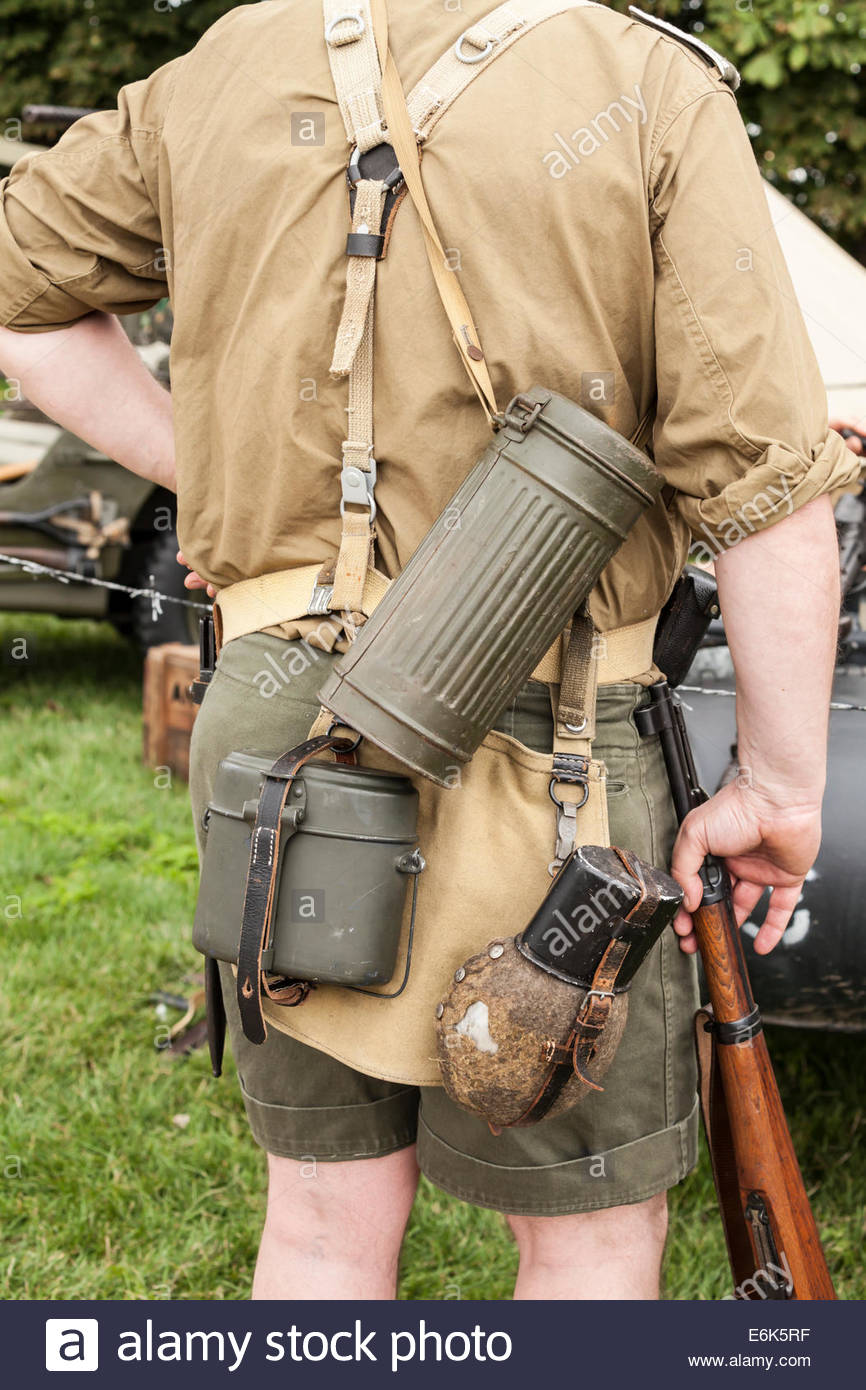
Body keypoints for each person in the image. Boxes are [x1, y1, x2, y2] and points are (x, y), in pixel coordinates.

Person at [0, 0, 859, 1301]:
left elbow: (21, 302)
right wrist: (782, 789)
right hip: (556, 734)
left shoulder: (225, 64)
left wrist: (212, 470)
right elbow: (766, 488)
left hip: (283, 727)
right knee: (579, 1235)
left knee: (323, 1223)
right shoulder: (643, 80)